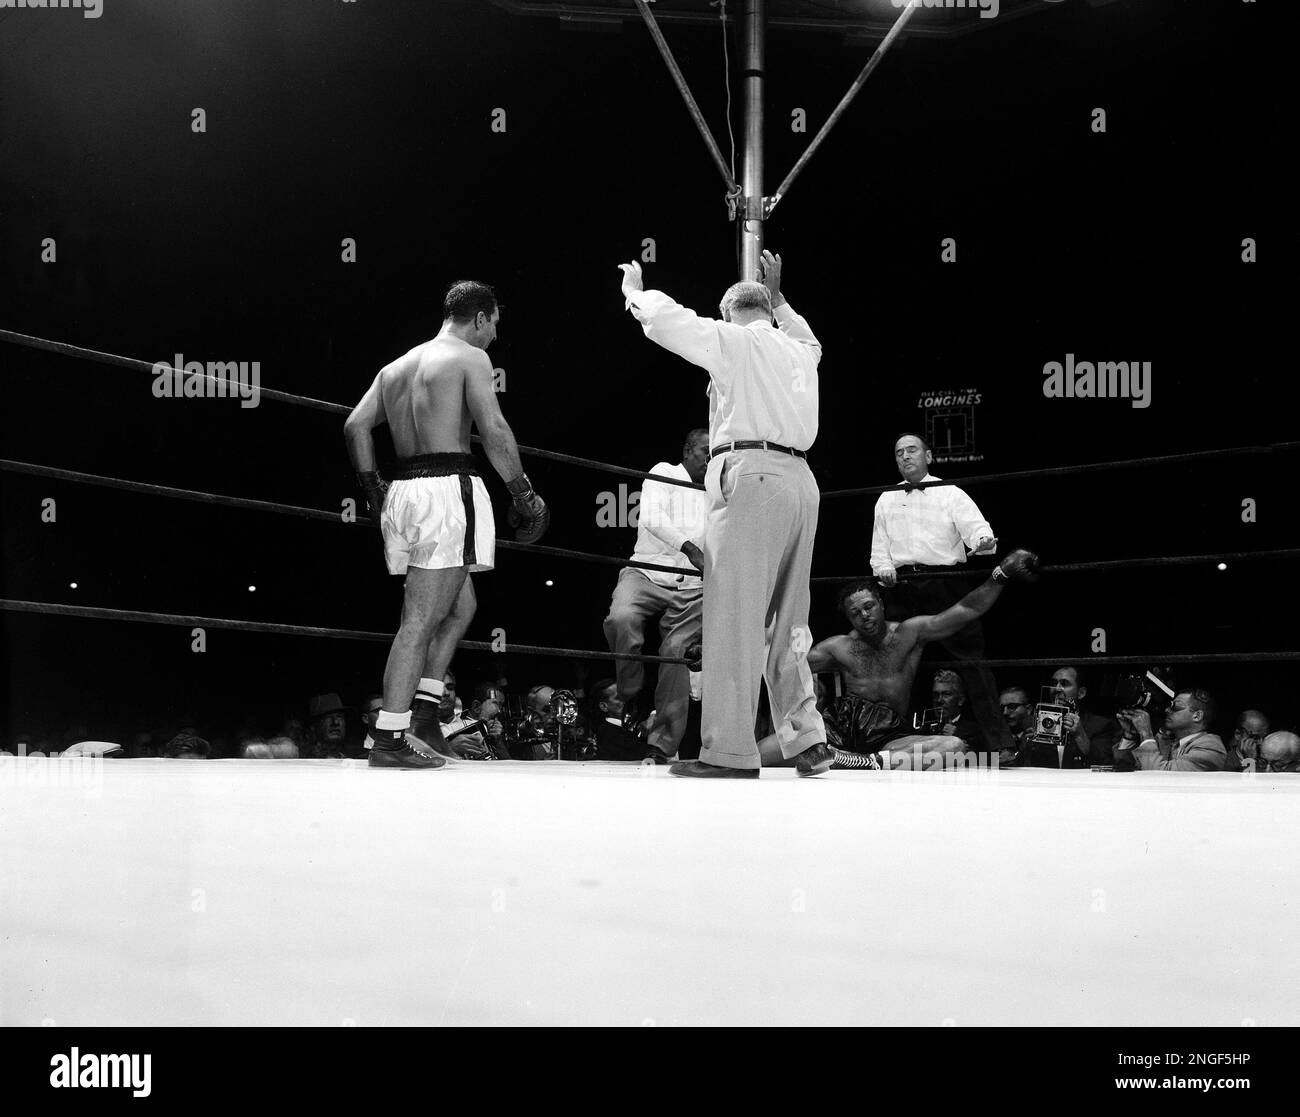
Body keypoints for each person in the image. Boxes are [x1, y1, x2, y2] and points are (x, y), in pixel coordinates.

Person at [619, 250, 828, 779]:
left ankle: (729, 752)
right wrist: (781, 298)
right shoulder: (801, 350)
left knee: (734, 619)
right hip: (802, 484)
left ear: (729, 311)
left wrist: (636, 291)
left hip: (752, 477)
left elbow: (672, 322)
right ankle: (808, 741)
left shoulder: (734, 341)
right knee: (788, 617)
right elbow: (807, 335)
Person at [344, 280, 550, 769]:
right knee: (418, 620)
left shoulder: (395, 367)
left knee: (459, 608)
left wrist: (375, 492)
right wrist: (525, 495)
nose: (495, 335)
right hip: (446, 487)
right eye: (495, 323)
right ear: (479, 317)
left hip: (403, 490)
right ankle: (389, 738)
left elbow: (355, 426)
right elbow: (494, 430)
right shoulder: (468, 358)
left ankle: (425, 714)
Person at [797, 552, 1038, 770]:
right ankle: (849, 757)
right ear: (848, 618)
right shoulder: (839, 647)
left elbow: (966, 609)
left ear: (881, 604)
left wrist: (1002, 572)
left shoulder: (909, 634)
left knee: (955, 747)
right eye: (855, 613)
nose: (864, 615)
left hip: (888, 736)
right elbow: (788, 665)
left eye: (869, 606)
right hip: (840, 728)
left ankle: (863, 761)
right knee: (764, 751)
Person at [869, 433, 1007, 753]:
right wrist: (883, 571)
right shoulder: (887, 498)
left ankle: (1000, 743)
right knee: (895, 666)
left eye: (912, 450)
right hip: (902, 588)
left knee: (972, 663)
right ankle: (886, 741)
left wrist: (982, 542)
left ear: (928, 455)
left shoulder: (949, 492)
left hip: (945, 584)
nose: (905, 456)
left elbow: (978, 529)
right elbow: (879, 550)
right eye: (899, 452)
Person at [603, 428, 709, 757]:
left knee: (677, 653)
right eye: (705, 450)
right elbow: (650, 515)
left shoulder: (717, 492)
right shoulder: (664, 473)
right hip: (647, 571)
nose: (711, 458)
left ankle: (661, 746)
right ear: (688, 450)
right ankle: (629, 686)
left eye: (715, 452)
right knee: (621, 617)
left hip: (692, 585)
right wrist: (690, 548)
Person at [1116, 689, 1227, 772]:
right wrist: (1129, 736)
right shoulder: (1169, 742)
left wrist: (1146, 734)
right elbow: (1126, 770)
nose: (1167, 710)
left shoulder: (1210, 747)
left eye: (1175, 707)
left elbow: (1159, 777)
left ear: (1197, 716)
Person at [1047, 665, 1120, 768]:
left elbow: (1104, 765)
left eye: (1064, 684)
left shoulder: (1100, 725)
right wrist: (1029, 745)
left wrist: (1079, 735)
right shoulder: (1035, 721)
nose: (1057, 689)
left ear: (1081, 693)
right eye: (1054, 684)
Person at [587, 679, 668, 763]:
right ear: (604, 706)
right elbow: (654, 754)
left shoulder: (629, 727)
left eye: (626, 696)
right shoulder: (607, 732)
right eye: (618, 698)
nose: (625, 701)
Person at [929, 669, 986, 751]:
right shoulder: (926, 729)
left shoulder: (975, 730)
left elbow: (982, 759)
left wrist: (957, 738)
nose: (939, 700)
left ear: (960, 700)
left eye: (946, 694)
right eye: (936, 695)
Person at [1224, 708, 1270, 772]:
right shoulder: (1225, 761)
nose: (1261, 743)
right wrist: (1249, 760)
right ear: (1238, 735)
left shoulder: (1269, 761)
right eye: (1255, 737)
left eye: (1265, 737)